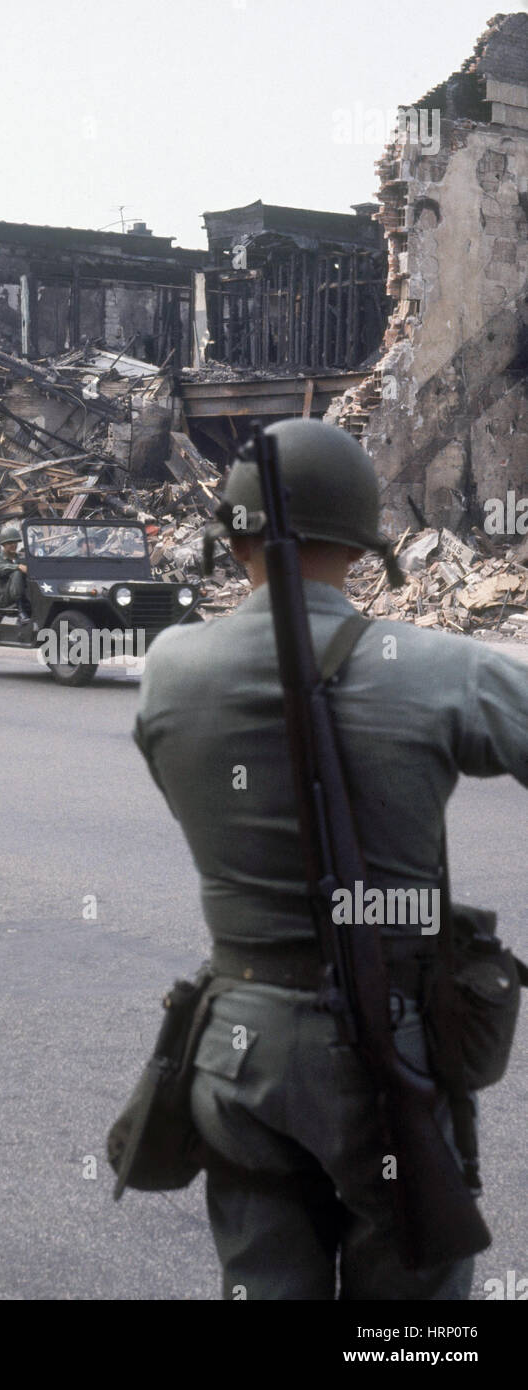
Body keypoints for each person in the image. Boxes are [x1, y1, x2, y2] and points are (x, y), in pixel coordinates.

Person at [133, 418, 528, 1300]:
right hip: (386, 1046)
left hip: (236, 1051)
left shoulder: (169, 668)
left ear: (232, 537)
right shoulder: (439, 669)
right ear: (362, 545)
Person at [0, 522, 31, 618]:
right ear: (3, 544)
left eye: (15, 542)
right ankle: (20, 610)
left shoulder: (20, 558)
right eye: (10, 543)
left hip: (26, 594)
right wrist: (17, 566)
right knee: (17, 573)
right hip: (6, 597)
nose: (13, 545)